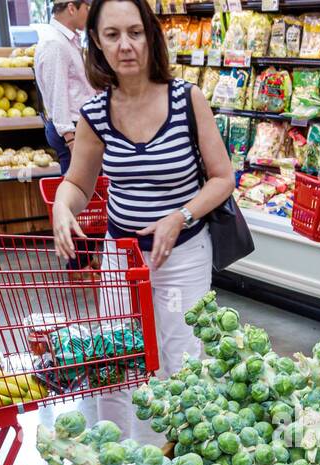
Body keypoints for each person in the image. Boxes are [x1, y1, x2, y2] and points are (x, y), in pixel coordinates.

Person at [51, 0, 235, 440]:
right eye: (112, 35)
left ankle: (180, 462)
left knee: (181, 357)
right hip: (122, 257)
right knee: (115, 359)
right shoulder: (95, 114)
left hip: (184, 253)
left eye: (135, 32)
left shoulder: (187, 99)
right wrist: (62, 205)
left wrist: (181, 215)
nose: (125, 45)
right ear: (96, 42)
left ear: (150, 36)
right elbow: (78, 183)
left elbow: (223, 178)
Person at [34, 1, 96, 174]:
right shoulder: (55, 43)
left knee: (89, 192)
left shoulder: (66, 40)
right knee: (79, 193)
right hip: (72, 131)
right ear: (71, 8)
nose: (89, 14)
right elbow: (57, 95)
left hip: (78, 128)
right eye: (87, 8)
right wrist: (71, 140)